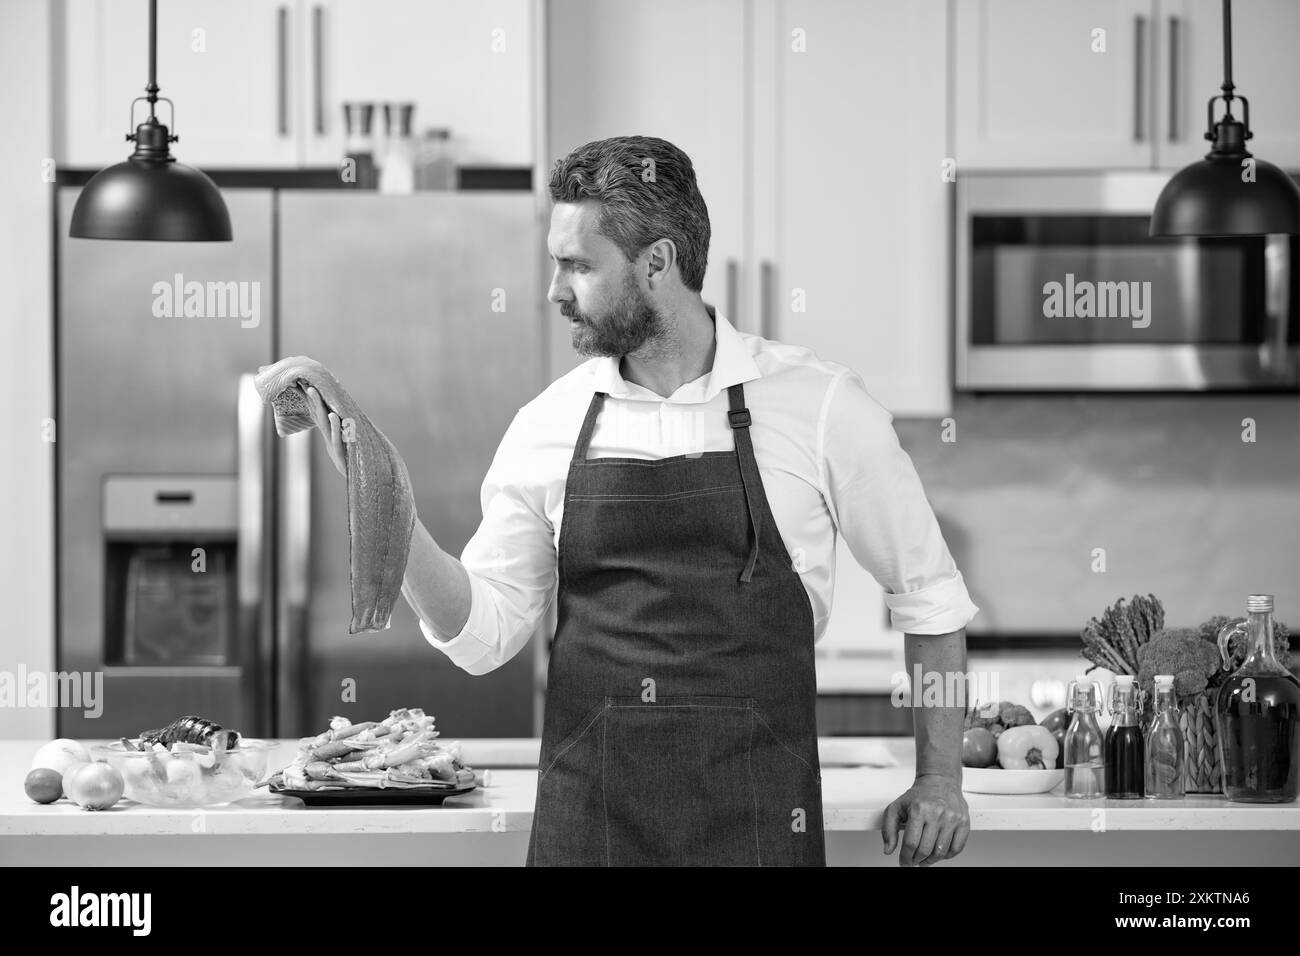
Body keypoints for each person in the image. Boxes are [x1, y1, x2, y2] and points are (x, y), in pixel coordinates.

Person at [300, 135, 979, 867]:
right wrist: (384, 498)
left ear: (658, 263)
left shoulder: (821, 408)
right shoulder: (550, 424)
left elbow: (930, 597)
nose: (555, 291)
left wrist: (941, 776)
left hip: (756, 825)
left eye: (577, 266)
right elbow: (482, 633)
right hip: (591, 830)